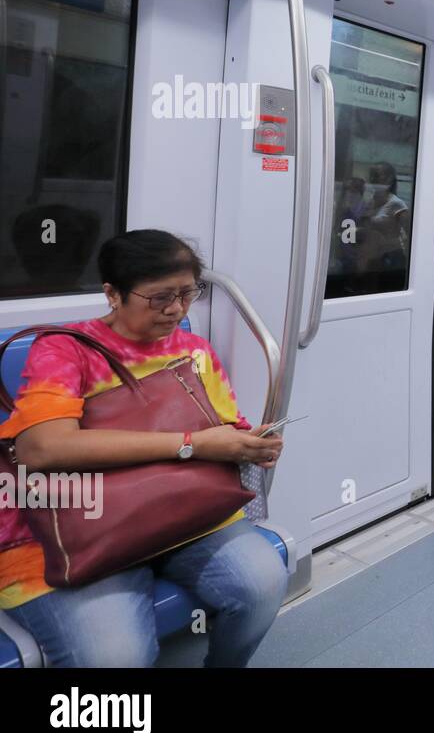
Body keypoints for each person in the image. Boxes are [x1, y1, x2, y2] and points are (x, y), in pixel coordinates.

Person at [0, 230, 289, 666]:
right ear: (112, 294)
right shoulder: (64, 350)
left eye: (188, 294)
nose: (176, 309)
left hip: (185, 511)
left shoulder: (194, 351)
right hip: (82, 528)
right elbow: (43, 448)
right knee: (113, 656)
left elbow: (225, 427)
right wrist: (191, 446)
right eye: (159, 298)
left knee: (263, 581)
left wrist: (247, 445)